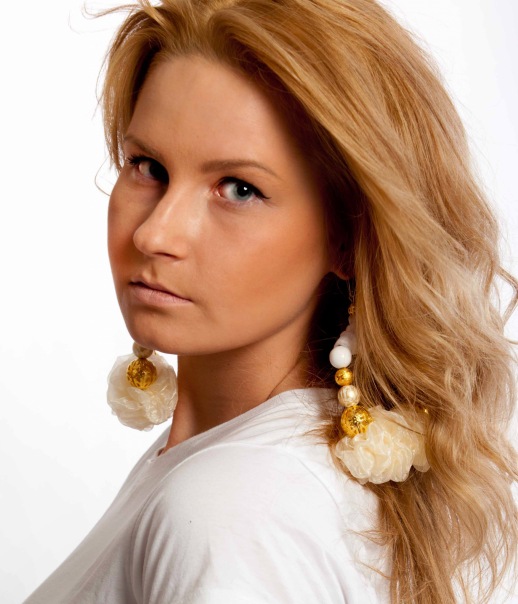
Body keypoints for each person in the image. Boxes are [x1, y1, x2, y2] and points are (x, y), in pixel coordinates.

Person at [24, 0, 517, 602]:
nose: (154, 234)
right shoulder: (256, 472)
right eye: (148, 166)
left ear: (347, 238)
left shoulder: (234, 510)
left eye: (239, 189)